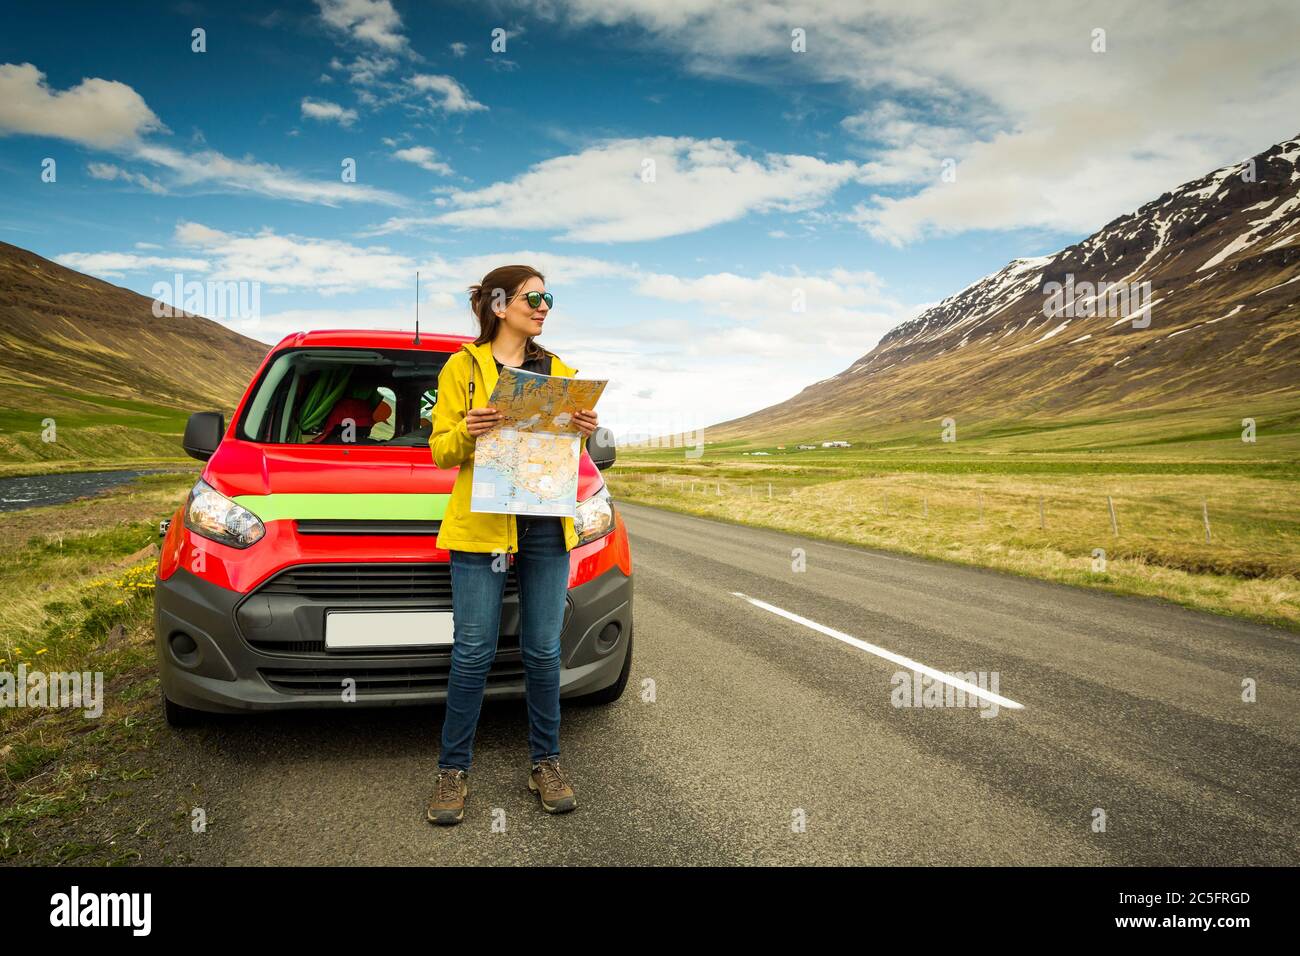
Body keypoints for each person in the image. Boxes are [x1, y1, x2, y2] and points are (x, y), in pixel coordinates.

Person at [426, 265, 598, 826]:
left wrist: (583, 428)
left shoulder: (561, 371)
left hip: (545, 524)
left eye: (549, 298)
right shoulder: (462, 367)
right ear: (499, 305)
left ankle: (544, 762)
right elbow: (440, 451)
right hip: (482, 526)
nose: (545, 306)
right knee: (473, 651)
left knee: (544, 650)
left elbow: (563, 450)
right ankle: (453, 771)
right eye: (534, 297)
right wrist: (467, 433)